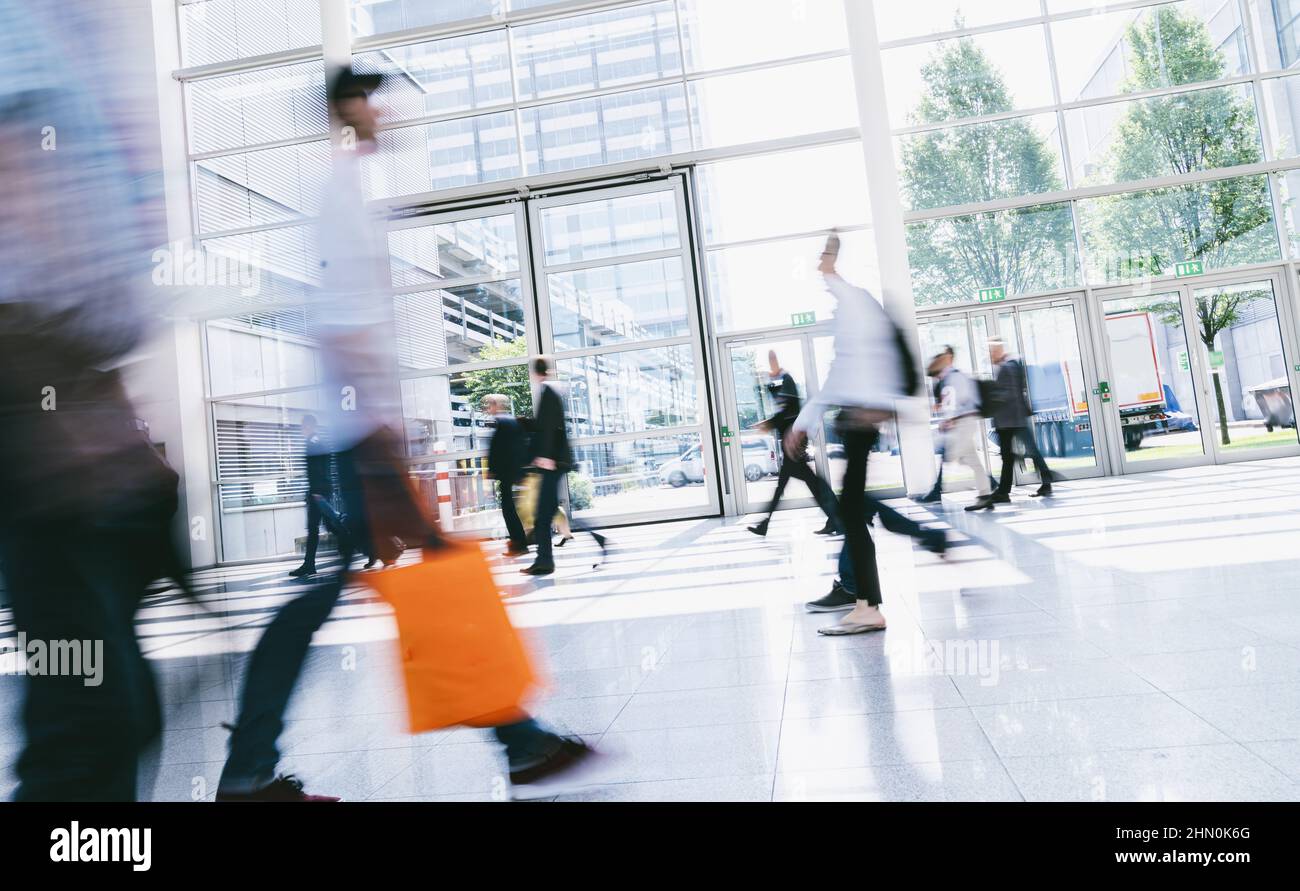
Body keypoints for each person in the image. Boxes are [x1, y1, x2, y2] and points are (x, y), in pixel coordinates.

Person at [216, 67, 604, 802]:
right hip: (350, 439)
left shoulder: (352, 193)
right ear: (344, 110)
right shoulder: (337, 194)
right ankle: (517, 741)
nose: (382, 109)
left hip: (352, 435)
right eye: (369, 96)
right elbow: (340, 328)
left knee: (359, 589)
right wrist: (379, 444)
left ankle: (249, 770)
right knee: (425, 574)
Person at [0, 0, 182, 800]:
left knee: (108, 706)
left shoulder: (77, 22)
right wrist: (61, 401)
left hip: (70, 380)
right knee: (89, 714)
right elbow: (16, 164)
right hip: (32, 382)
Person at [786, 234, 946, 632]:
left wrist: (805, 422)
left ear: (834, 262)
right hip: (857, 420)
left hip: (858, 422)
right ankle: (866, 598)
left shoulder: (856, 306)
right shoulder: (854, 308)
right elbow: (840, 375)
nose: (819, 269)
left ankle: (867, 604)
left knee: (853, 513)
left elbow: (844, 374)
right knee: (855, 511)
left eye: (823, 260)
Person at [520, 357, 607, 576]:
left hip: (552, 463)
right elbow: (545, 427)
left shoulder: (548, 391)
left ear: (535, 373)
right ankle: (596, 540)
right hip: (555, 462)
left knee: (542, 514)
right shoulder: (551, 390)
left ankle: (545, 562)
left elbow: (550, 428)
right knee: (547, 512)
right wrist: (524, 422)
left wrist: (545, 457)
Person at [747, 351, 841, 538]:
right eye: (769, 360)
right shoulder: (775, 382)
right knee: (810, 484)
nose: (770, 362)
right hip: (789, 440)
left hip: (794, 440)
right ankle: (835, 518)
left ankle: (837, 518)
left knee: (807, 485)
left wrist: (769, 424)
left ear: (777, 360)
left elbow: (790, 411)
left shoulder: (787, 380)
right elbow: (781, 409)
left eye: (773, 359)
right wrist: (769, 422)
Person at [985, 339, 1055, 504]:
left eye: (991, 352)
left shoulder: (1006, 368)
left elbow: (1006, 394)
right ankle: (1045, 480)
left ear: (998, 351)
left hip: (1008, 420)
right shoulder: (1012, 365)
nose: (990, 356)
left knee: (1010, 456)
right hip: (1016, 418)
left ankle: (1005, 491)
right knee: (1024, 452)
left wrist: (989, 398)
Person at [925, 350, 996, 511]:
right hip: (961, 423)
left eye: (935, 373)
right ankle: (985, 494)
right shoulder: (948, 379)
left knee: (952, 456)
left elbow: (962, 401)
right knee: (972, 461)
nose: (935, 377)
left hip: (964, 423)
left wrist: (950, 419)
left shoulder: (955, 377)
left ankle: (989, 485)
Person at [483, 395, 530, 557]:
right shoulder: (512, 421)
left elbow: (497, 449)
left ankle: (519, 544)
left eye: (490, 405)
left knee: (508, 509)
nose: (489, 409)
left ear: (496, 405)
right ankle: (519, 542)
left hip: (506, 472)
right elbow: (521, 445)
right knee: (510, 508)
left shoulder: (502, 422)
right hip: (513, 471)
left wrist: (491, 469)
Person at [289, 415, 333, 578]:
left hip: (318, 493)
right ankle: (309, 564)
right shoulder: (317, 441)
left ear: (308, 426)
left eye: (303, 426)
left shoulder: (314, 443)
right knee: (322, 527)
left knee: (329, 527)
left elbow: (318, 470)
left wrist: (315, 492)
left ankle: (369, 549)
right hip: (320, 492)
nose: (301, 429)